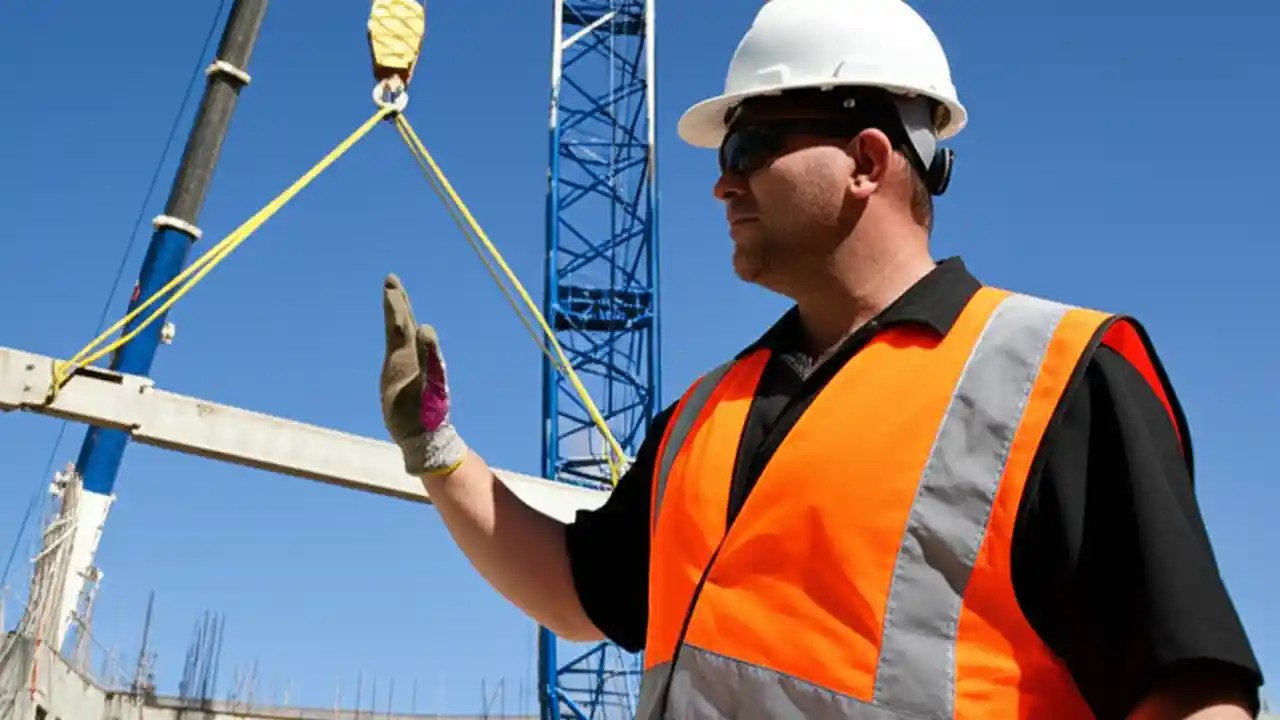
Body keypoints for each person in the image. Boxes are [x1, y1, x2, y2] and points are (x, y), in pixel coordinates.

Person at [378, 0, 1264, 717]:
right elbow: (576, 594)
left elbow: (1190, 693)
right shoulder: (702, 417)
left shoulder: (1057, 376)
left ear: (868, 161)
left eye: (749, 146)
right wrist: (437, 451)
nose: (722, 181)